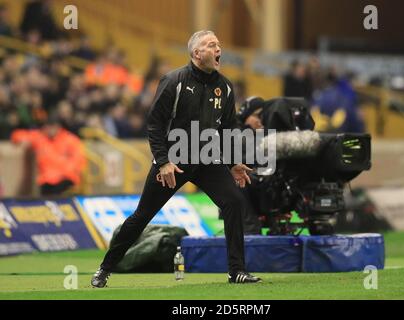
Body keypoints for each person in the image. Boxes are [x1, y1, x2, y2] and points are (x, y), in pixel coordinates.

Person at [91, 30, 262, 287]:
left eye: (218, 44)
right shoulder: (174, 81)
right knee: (142, 215)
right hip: (175, 158)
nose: (218, 48)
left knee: (234, 202)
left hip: (207, 158)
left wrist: (233, 162)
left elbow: (228, 129)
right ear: (196, 54)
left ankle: (236, 271)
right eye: (211, 45)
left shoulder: (225, 87)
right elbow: (155, 124)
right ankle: (105, 268)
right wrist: (163, 162)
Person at [10, 116, 86, 196]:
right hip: (46, 179)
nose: (50, 129)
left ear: (59, 127)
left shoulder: (69, 139)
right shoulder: (39, 137)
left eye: (53, 126)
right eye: (48, 126)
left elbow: (78, 159)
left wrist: (65, 171)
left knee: (58, 193)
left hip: (65, 177)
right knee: (46, 195)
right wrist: (21, 141)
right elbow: (17, 135)